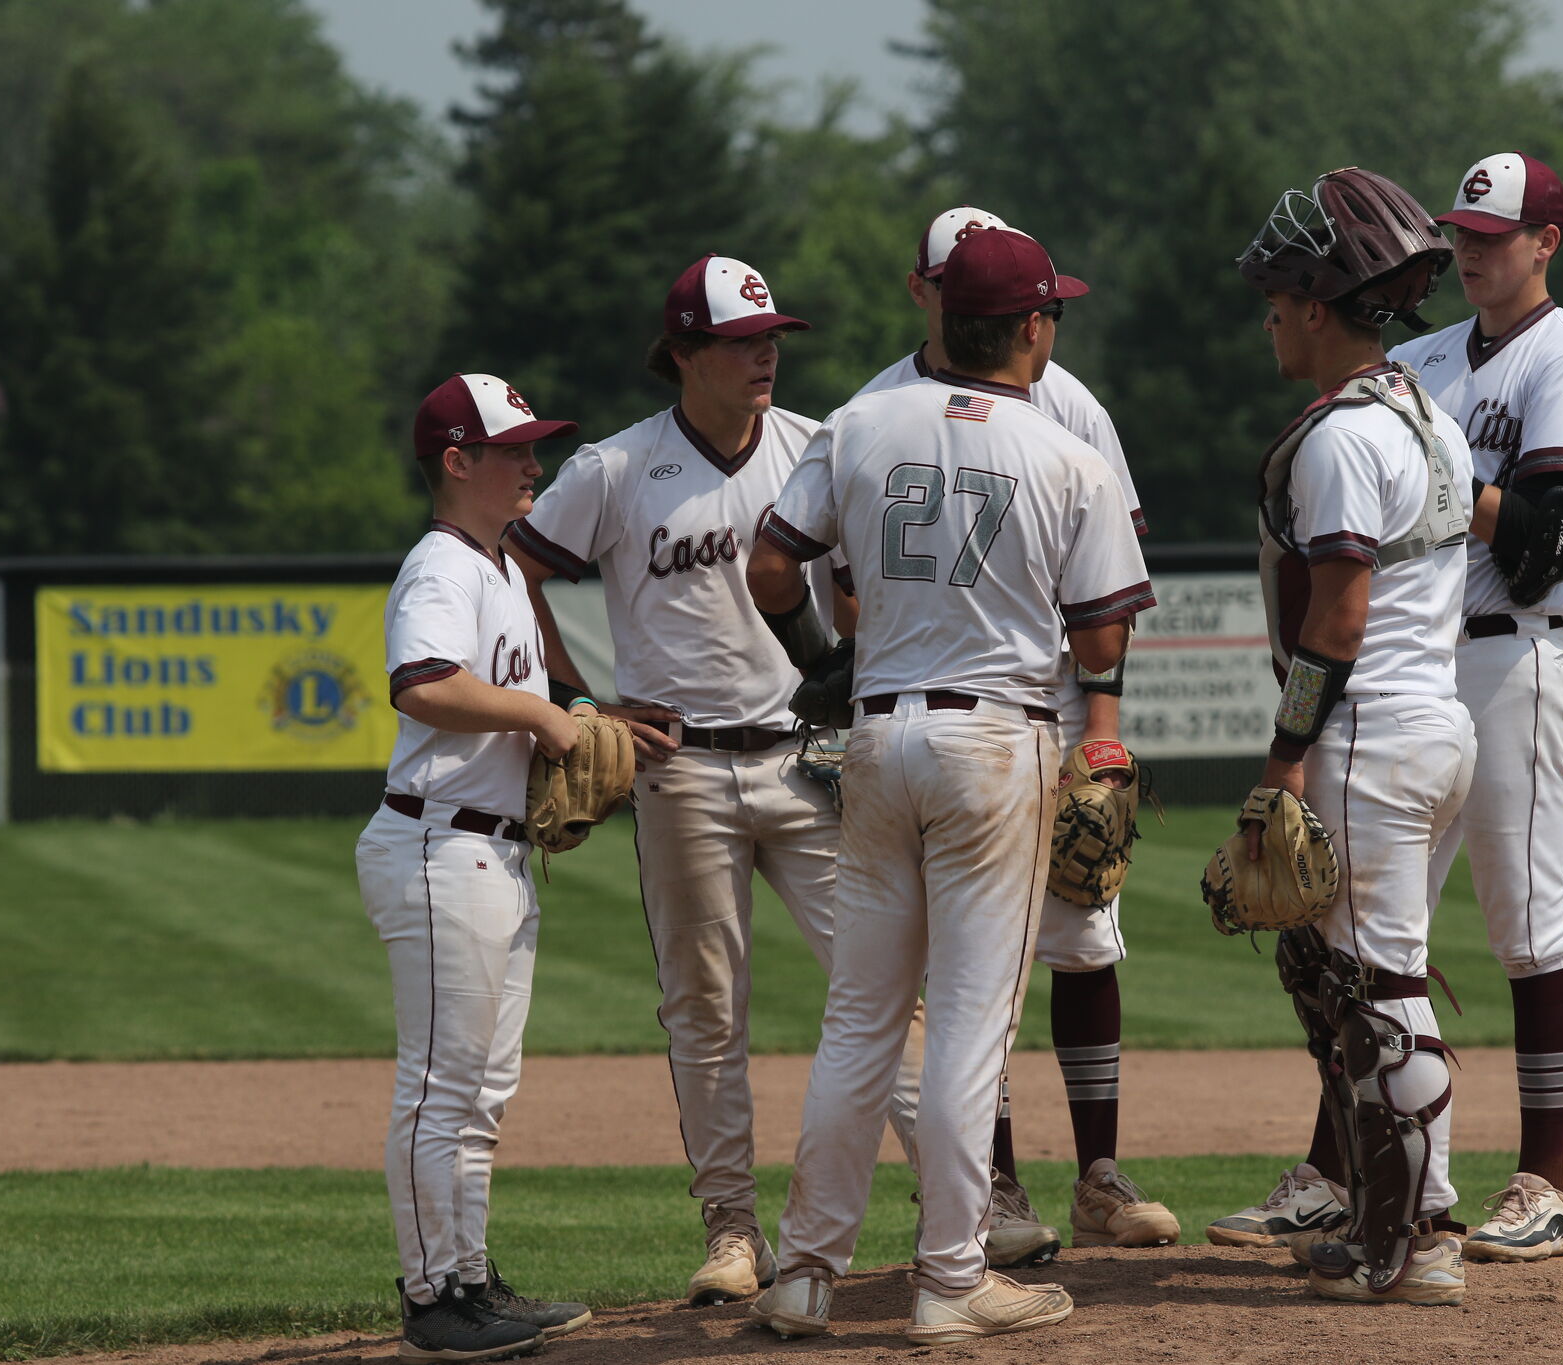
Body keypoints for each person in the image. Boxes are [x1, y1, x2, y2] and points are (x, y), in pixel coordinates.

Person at [745, 227, 1152, 1345]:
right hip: (994, 744)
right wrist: (1097, 713)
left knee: (858, 1022)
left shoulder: (861, 421)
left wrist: (820, 661)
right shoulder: (1067, 452)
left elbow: (771, 566)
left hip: (877, 737)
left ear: (941, 314)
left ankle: (803, 1275)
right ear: (1028, 327)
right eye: (1047, 311)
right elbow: (1103, 635)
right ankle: (948, 1278)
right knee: (971, 1026)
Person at [502, 255, 915, 1307]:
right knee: (704, 1006)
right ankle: (732, 1231)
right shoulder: (616, 467)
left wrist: (854, 682)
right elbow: (514, 566)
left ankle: (974, 1198)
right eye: (741, 340)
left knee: (879, 981)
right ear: (684, 353)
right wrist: (578, 705)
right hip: (679, 771)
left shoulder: (815, 447)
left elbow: (858, 584)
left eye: (772, 335)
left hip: (807, 761)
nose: (766, 352)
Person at [855, 206, 1174, 1264]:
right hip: (955, 726)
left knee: (1081, 941)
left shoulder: (1065, 402)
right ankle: (986, 1189)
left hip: (1043, 712)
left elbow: (1111, 581)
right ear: (926, 291)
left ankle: (1097, 1176)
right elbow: (828, 578)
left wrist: (1105, 728)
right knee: (962, 968)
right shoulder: (876, 406)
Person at [1219, 167, 1479, 1306]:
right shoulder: (1428, 419)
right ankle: (1390, 1219)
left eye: (1277, 301)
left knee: (1379, 992)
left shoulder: (1337, 439)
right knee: (1356, 979)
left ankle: (1422, 1242)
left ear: (1319, 307)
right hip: (1434, 722)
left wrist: (1284, 757)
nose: (1268, 320)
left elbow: (1338, 612)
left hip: (1369, 730)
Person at [1388, 152, 1563, 1263]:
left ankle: (1545, 1180)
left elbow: (1543, 543)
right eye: (1462, 234)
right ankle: (1345, 1172)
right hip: (1408, 661)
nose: (1472, 251)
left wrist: (1434, 479)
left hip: (1510, 657)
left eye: (1494, 233)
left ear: (1544, 243)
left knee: (1526, 926)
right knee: (1371, 925)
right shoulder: (1416, 360)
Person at [357, 373, 593, 1361]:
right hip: (436, 843)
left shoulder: (497, 567)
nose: (535, 463)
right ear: (459, 462)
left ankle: (468, 1275)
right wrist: (542, 716)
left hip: (490, 848)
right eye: (514, 450)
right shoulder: (442, 566)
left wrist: (582, 726)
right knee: (441, 1087)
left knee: (483, 1090)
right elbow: (421, 685)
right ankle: (430, 1297)